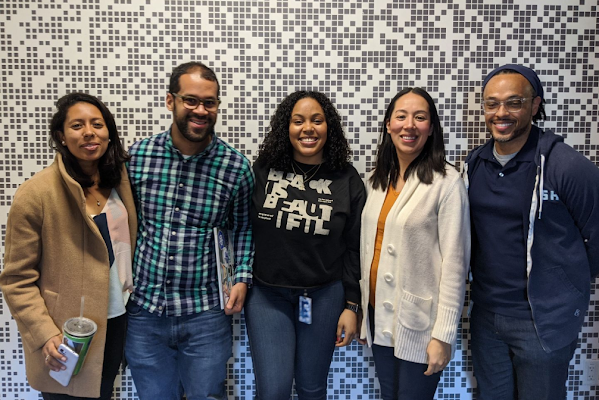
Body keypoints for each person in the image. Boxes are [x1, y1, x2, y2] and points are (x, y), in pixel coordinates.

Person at [464, 64, 599, 399]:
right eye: (492, 103)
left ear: (535, 105)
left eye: (514, 102)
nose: (501, 113)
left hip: (542, 323)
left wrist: (563, 290)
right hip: (486, 318)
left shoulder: (566, 167)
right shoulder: (473, 165)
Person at [124, 61, 254, 400]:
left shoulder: (236, 168)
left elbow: (242, 229)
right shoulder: (137, 158)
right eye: (191, 100)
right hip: (144, 312)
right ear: (171, 101)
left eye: (209, 102)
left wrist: (241, 276)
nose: (201, 110)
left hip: (205, 315)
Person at [0, 93, 136, 399]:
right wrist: (45, 333)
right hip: (66, 333)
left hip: (116, 320)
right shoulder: (36, 194)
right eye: (77, 125)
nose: (89, 132)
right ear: (61, 136)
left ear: (109, 132)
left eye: (97, 124)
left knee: (101, 394)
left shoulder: (120, 181)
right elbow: (15, 280)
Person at [245, 90, 366, 400]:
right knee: (273, 390)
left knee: (312, 388)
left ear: (330, 128)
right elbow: (243, 229)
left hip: (324, 295)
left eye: (317, 120)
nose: (308, 128)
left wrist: (352, 305)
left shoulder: (347, 180)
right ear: (287, 127)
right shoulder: (263, 170)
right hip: (267, 295)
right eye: (298, 121)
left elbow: (355, 248)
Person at [358, 87, 470, 400]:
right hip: (379, 317)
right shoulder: (374, 182)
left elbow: (455, 264)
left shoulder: (447, 183)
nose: (410, 125)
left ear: (431, 128)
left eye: (420, 117)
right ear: (388, 125)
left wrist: (443, 335)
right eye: (401, 116)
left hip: (420, 326)